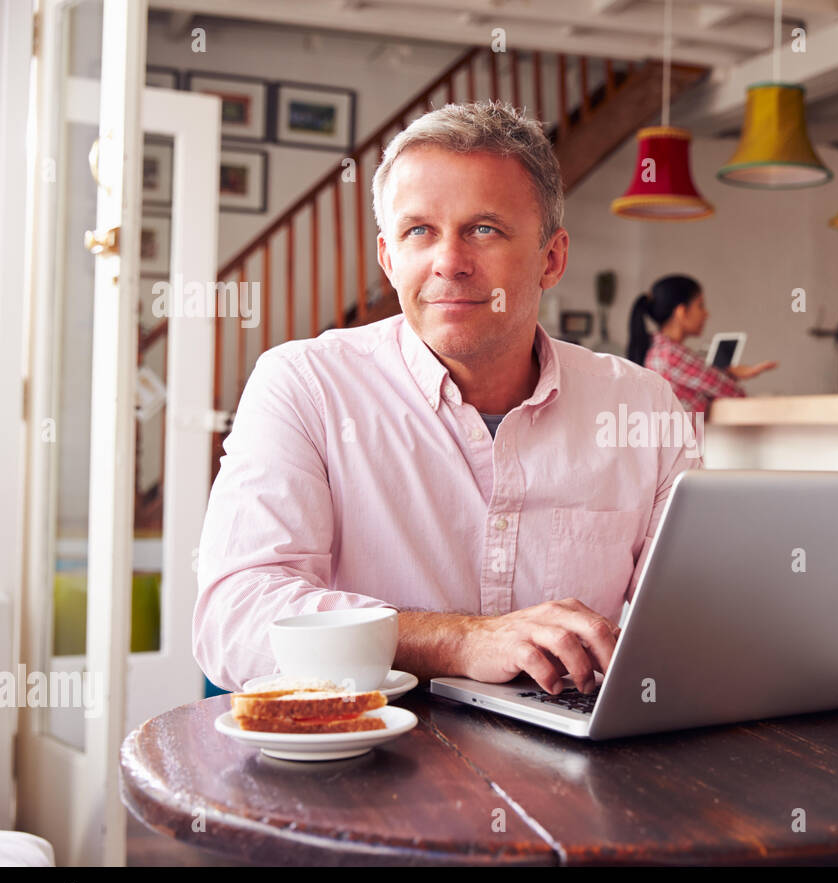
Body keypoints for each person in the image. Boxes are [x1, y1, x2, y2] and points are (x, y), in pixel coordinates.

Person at [193, 101, 699, 697]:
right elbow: (236, 620)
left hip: (579, 761)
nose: (449, 263)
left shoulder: (643, 408)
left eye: (484, 229)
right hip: (368, 762)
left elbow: (692, 616)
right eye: (419, 232)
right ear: (389, 259)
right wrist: (461, 640)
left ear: (552, 259)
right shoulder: (304, 386)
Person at [626, 274, 778, 415]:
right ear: (681, 312)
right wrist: (729, 376)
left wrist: (729, 373)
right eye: (700, 305)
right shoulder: (673, 354)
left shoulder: (654, 348)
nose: (706, 314)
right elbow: (734, 393)